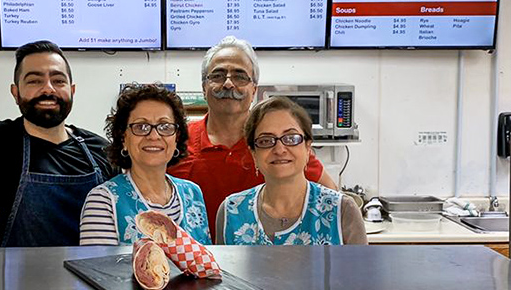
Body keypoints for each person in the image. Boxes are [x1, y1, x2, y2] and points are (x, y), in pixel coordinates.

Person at [168, 35, 336, 237]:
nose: (228, 84)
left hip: (265, 259)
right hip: (191, 262)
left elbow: (331, 198)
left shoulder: (276, 144)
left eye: (240, 76)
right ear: (204, 88)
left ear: (254, 89)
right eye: (218, 76)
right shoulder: (176, 141)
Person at [0, 40, 114, 247]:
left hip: (92, 277)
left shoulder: (100, 150)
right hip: (22, 279)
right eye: (34, 81)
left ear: (72, 90)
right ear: (16, 93)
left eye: (58, 81)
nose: (48, 89)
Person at [216, 95, 367, 245]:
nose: (280, 149)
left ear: (308, 148)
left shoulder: (342, 210)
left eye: (291, 138)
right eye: (266, 141)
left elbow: (361, 269)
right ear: (254, 154)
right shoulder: (231, 211)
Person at [80, 83, 210, 245]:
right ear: (123, 138)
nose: (154, 136)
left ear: (176, 138)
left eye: (164, 126)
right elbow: (98, 270)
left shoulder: (193, 193)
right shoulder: (103, 200)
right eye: (141, 126)